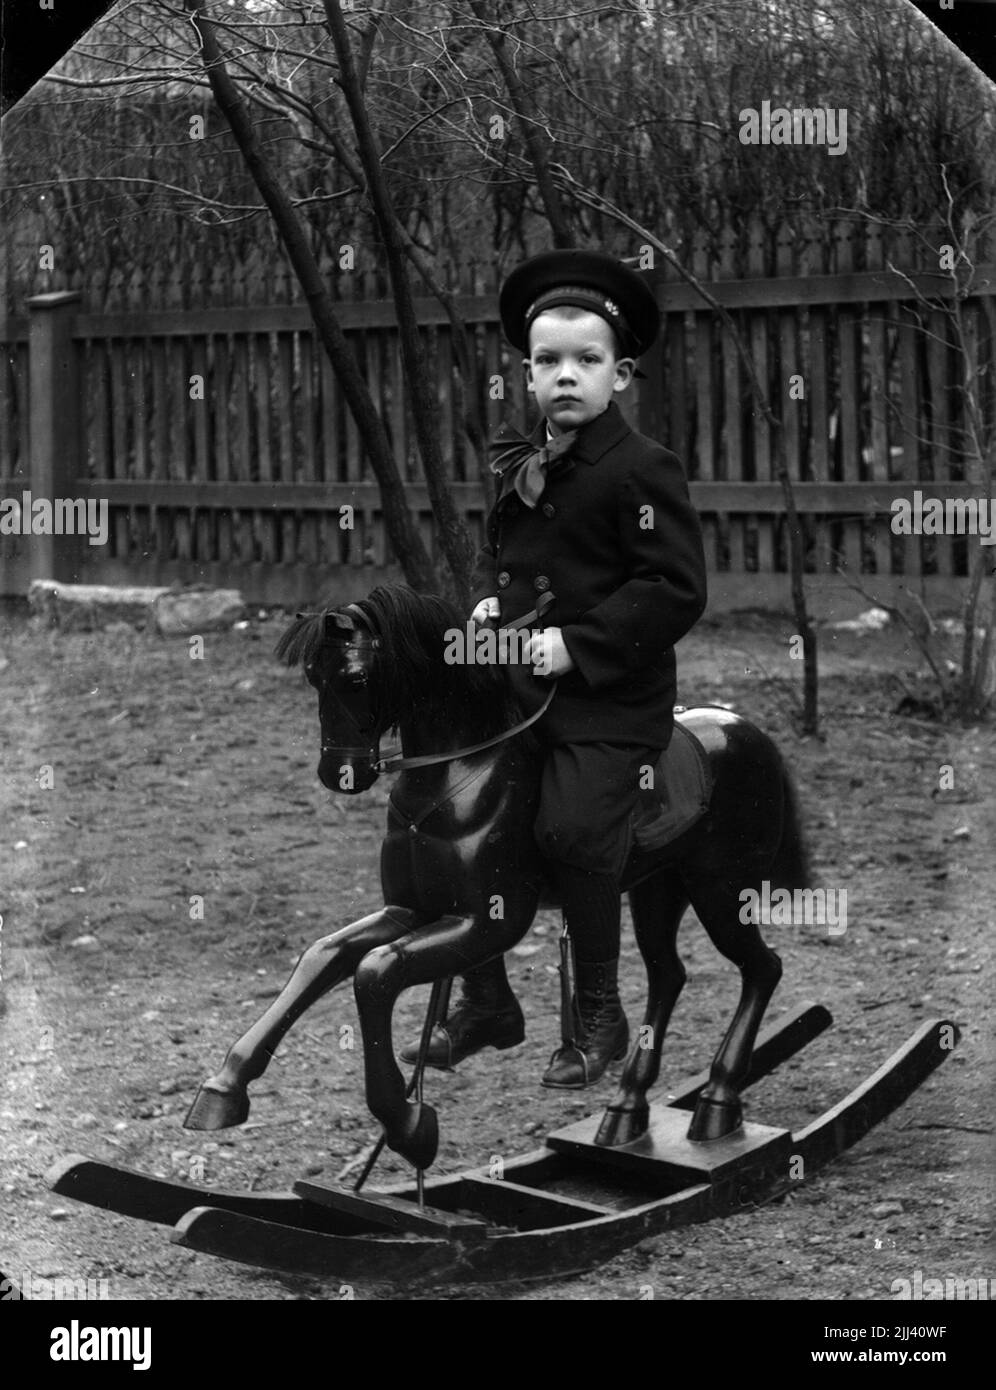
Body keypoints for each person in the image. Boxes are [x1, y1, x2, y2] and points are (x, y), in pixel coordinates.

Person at [409, 248, 708, 1088]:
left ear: (622, 372)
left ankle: (599, 1013)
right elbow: (511, 567)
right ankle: (484, 996)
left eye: (587, 361)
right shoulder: (521, 464)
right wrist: (487, 612)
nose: (565, 377)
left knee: (569, 827)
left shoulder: (641, 470)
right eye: (548, 362)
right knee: (460, 810)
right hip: (521, 691)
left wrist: (579, 643)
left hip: (611, 702)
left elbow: (674, 586)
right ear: (527, 372)